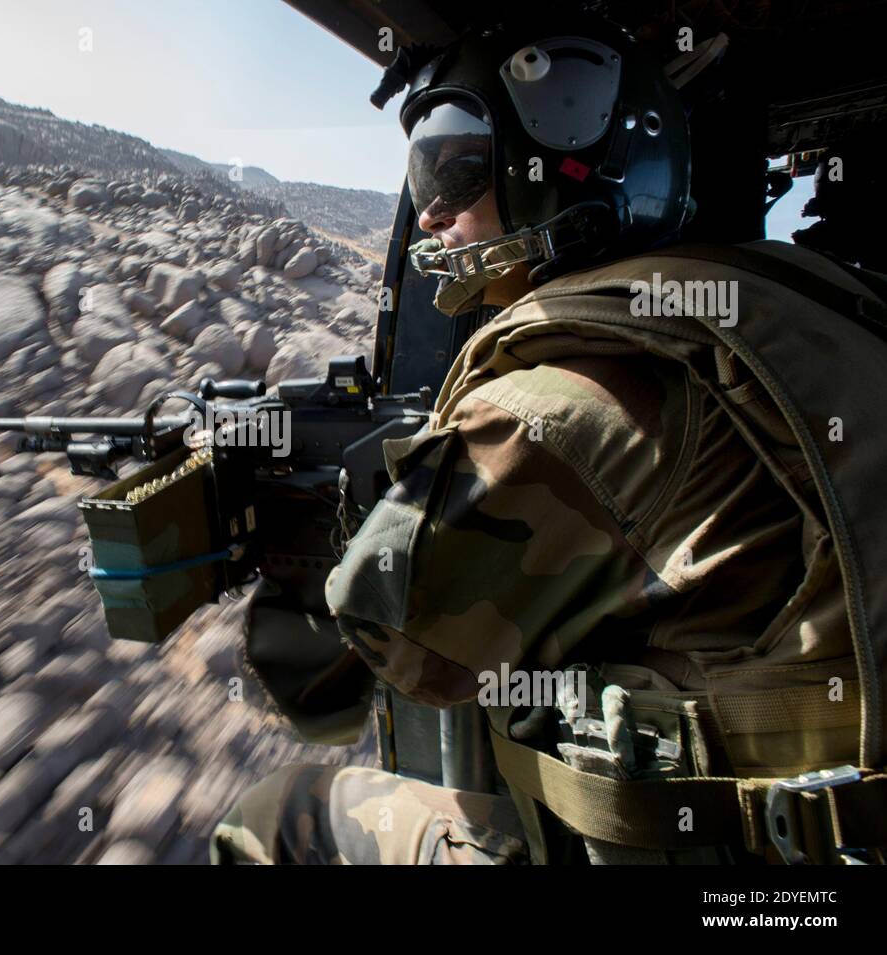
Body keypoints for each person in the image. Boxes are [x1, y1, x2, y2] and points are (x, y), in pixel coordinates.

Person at [212, 6, 887, 865]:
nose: (429, 215)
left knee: (279, 817)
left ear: (565, 165)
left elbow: (350, 674)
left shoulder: (559, 396)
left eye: (454, 173)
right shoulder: (781, 305)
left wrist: (285, 532)